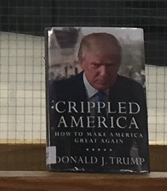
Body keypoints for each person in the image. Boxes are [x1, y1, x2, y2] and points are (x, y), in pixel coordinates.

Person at [46, 31, 147, 170]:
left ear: (119, 64)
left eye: (110, 65)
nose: (104, 73)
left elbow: (141, 139)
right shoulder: (60, 92)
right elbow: (55, 141)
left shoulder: (132, 91)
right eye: (96, 65)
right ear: (81, 63)